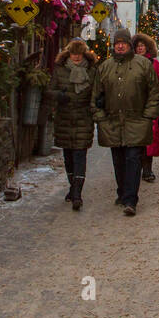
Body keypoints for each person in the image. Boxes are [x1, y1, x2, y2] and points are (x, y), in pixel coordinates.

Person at [93, 28, 159, 216]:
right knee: (119, 160)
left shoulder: (143, 65)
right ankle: (122, 192)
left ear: (129, 45)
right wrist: (100, 116)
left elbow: (154, 92)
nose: (120, 46)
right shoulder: (105, 67)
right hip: (113, 122)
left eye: (123, 43)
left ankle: (131, 199)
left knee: (133, 159)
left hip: (137, 121)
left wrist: (148, 115)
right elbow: (96, 95)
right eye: (117, 43)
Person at [47, 39, 97, 211]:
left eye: (79, 54)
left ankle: (77, 193)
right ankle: (72, 186)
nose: (76, 57)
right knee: (68, 156)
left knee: (80, 155)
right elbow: (50, 90)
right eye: (73, 54)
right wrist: (59, 96)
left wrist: (94, 109)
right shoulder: (60, 69)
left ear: (84, 54)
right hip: (65, 118)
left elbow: (96, 92)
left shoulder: (91, 70)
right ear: (69, 54)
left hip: (83, 117)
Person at [133, 32, 159, 183]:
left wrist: (158, 100)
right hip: (133, 107)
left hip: (151, 107)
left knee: (150, 139)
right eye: (138, 46)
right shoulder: (130, 64)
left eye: (142, 46)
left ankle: (147, 169)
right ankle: (135, 169)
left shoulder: (155, 64)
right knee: (135, 139)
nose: (140, 49)